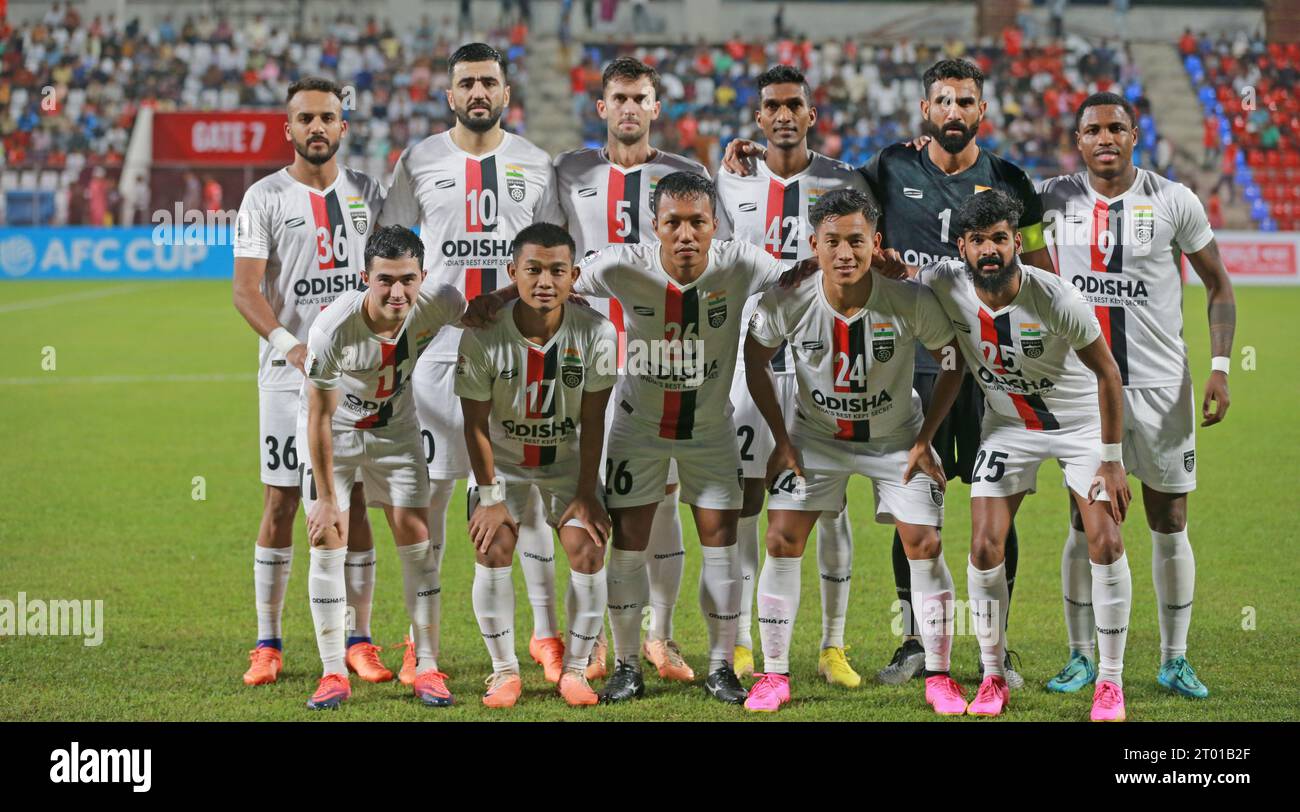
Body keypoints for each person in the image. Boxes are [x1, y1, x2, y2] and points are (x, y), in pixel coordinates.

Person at [724, 58, 1052, 687]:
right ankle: (913, 642)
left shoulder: (1010, 178)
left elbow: (1035, 273)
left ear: (982, 110)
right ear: (925, 110)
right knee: (912, 519)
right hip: (905, 367)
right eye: (942, 101)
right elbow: (834, 201)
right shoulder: (888, 166)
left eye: (965, 101)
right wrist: (750, 152)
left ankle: (995, 644)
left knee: (993, 512)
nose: (953, 111)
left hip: (985, 370)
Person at [466, 172, 800, 706]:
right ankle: (626, 665)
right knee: (626, 548)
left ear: (716, 224)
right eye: (674, 223)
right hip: (637, 430)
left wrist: (869, 263)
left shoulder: (743, 261)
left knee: (722, 546)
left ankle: (721, 667)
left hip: (710, 430)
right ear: (656, 226)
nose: (686, 234)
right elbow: (555, 277)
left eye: (698, 222)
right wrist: (499, 296)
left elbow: (802, 276)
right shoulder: (624, 264)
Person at [902, 189, 1133, 721]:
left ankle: (1110, 683)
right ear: (961, 246)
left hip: (1080, 428)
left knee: (1105, 539)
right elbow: (892, 287)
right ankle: (992, 676)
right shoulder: (943, 282)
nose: (990, 250)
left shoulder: (1056, 298)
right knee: (984, 546)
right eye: (978, 240)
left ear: (1015, 242)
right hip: (1009, 428)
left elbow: (1108, 374)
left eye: (1000, 239)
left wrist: (1112, 458)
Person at [380, 43, 566, 686]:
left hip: (516, 358)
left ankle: (546, 636)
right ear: (450, 94)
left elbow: (552, 261)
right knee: (427, 501)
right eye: (466, 83)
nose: (478, 92)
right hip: (434, 357)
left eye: (489, 81)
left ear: (506, 93)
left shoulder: (536, 164)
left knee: (529, 500)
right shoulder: (418, 161)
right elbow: (392, 250)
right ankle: (418, 644)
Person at [1039, 92, 1235, 699]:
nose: (1105, 138)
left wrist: (1222, 367)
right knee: (1083, 518)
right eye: (1092, 129)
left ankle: (1174, 659)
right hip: (1082, 389)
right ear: (1078, 139)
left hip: (1160, 388)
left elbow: (1219, 286)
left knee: (1169, 519)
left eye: (1116, 128)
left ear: (1134, 134)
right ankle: (1080, 657)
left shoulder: (1174, 200)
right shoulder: (1051, 198)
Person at [743, 189, 959, 715]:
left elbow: (951, 362)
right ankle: (774, 675)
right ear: (813, 245)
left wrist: (926, 439)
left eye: (856, 241)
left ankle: (939, 676)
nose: (845, 253)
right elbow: (754, 359)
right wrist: (782, 438)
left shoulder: (908, 300)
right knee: (780, 537)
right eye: (832, 241)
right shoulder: (787, 299)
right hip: (815, 439)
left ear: (875, 243)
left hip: (895, 440)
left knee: (925, 544)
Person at [714, 64, 874, 685]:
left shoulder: (844, 182)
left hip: (826, 364)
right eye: (772, 106)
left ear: (812, 115)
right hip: (749, 366)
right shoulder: (731, 187)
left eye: (794, 106)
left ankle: (832, 646)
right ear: (758, 118)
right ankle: (749, 641)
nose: (783, 115)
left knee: (830, 506)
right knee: (748, 498)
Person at [552, 56, 710, 683]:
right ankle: (589, 642)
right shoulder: (568, 170)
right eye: (617, 97)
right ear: (601, 107)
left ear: (655, 107)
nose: (627, 108)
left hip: (657, 353)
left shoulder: (686, 174)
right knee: (583, 499)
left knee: (664, 501)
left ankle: (662, 637)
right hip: (586, 357)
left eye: (639, 98)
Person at [232, 76, 386, 688]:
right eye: (306, 119)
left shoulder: (369, 193)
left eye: (328, 118)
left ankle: (360, 638)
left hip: (357, 377)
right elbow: (246, 291)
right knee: (281, 500)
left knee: (356, 500)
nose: (317, 128)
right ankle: (267, 641)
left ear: (343, 127)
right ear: (288, 128)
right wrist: (289, 346)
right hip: (285, 376)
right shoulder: (263, 197)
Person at [298, 225, 467, 709]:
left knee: (418, 545)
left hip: (397, 433)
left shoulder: (439, 301)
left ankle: (429, 667)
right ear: (364, 277)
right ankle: (333, 673)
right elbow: (319, 416)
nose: (398, 292)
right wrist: (328, 498)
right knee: (327, 540)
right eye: (385, 280)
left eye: (408, 279)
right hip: (339, 434)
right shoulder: (333, 327)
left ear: (423, 276)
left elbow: (483, 313)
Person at [456, 223, 617, 708]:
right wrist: (489, 500)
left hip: (566, 464)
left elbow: (594, 421)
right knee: (492, 546)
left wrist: (587, 494)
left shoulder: (597, 332)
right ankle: (503, 672)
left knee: (588, 550)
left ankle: (574, 672)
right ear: (512, 272)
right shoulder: (484, 335)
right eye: (533, 270)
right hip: (502, 467)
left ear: (575, 277)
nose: (544, 281)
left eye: (556, 271)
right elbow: (475, 426)